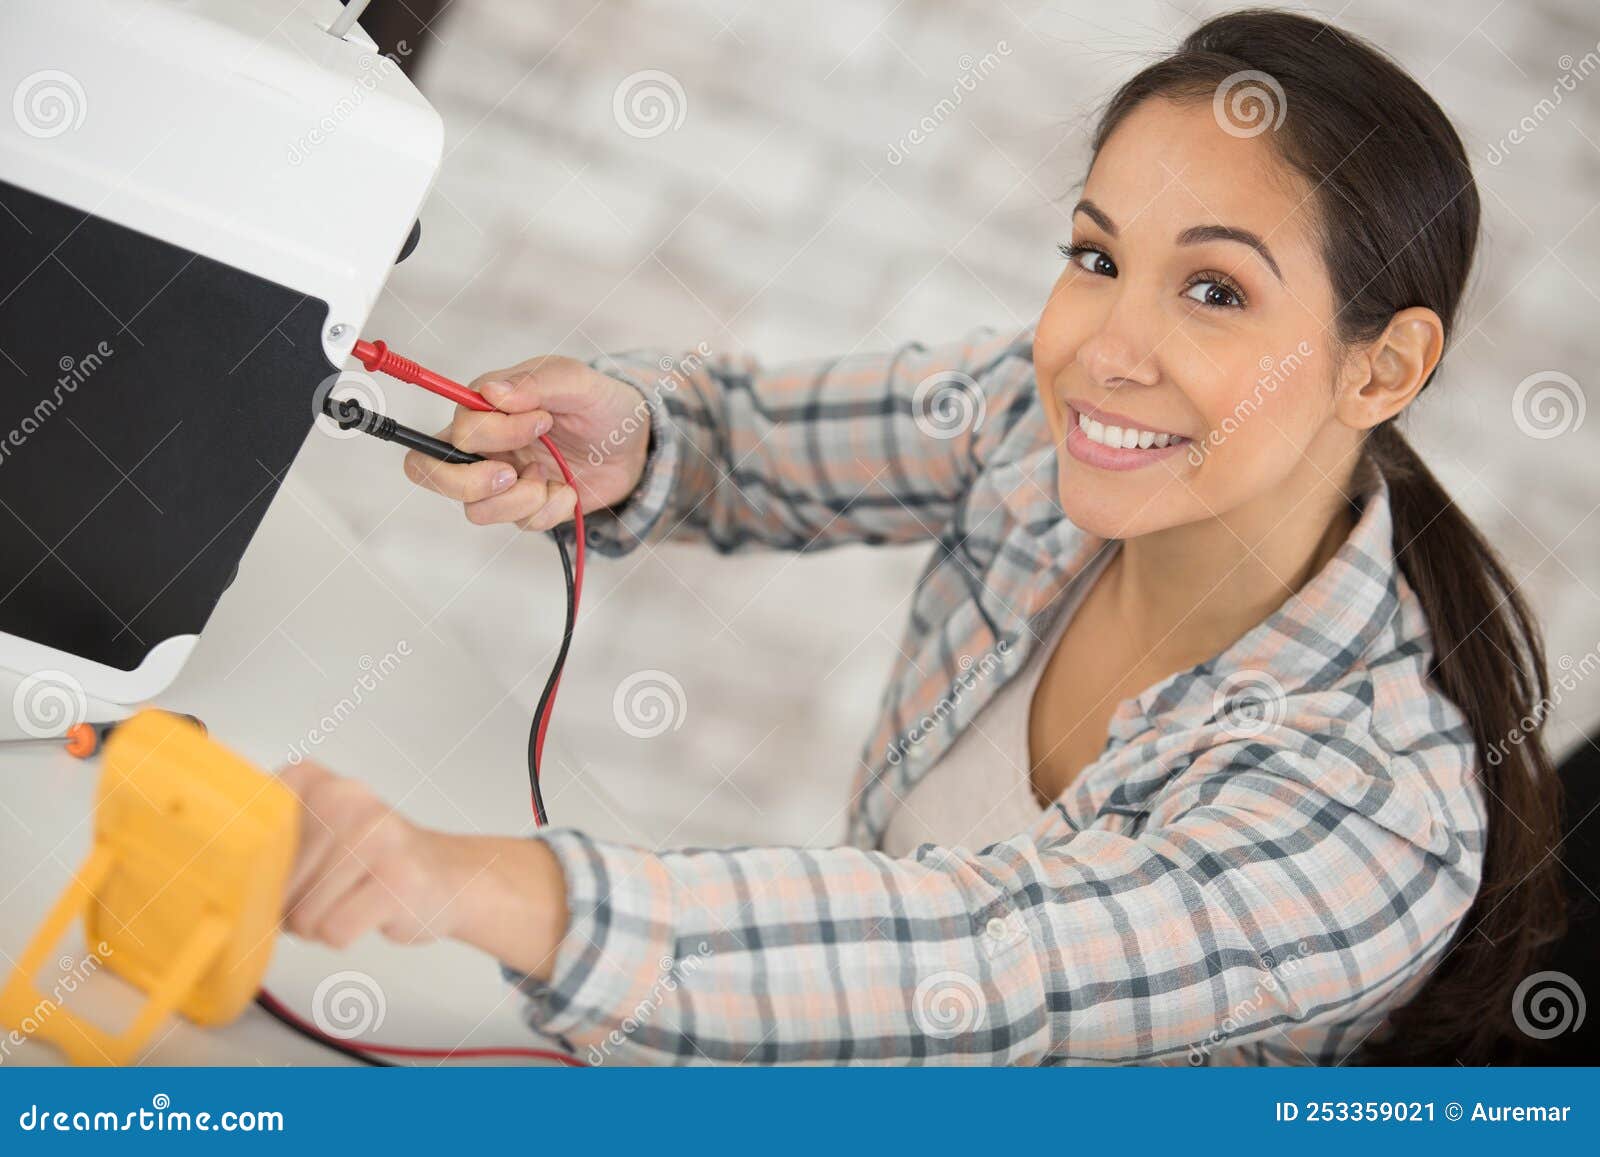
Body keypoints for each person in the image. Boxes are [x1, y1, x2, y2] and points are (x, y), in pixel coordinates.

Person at [278, 8, 1564, 1065]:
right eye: (1095, 257)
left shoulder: (1375, 811)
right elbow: (749, 442)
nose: (1103, 351)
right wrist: (634, 435)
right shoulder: (1035, 417)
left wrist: (466, 884)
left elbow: (973, 964)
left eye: (1215, 290)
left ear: (1382, 368)